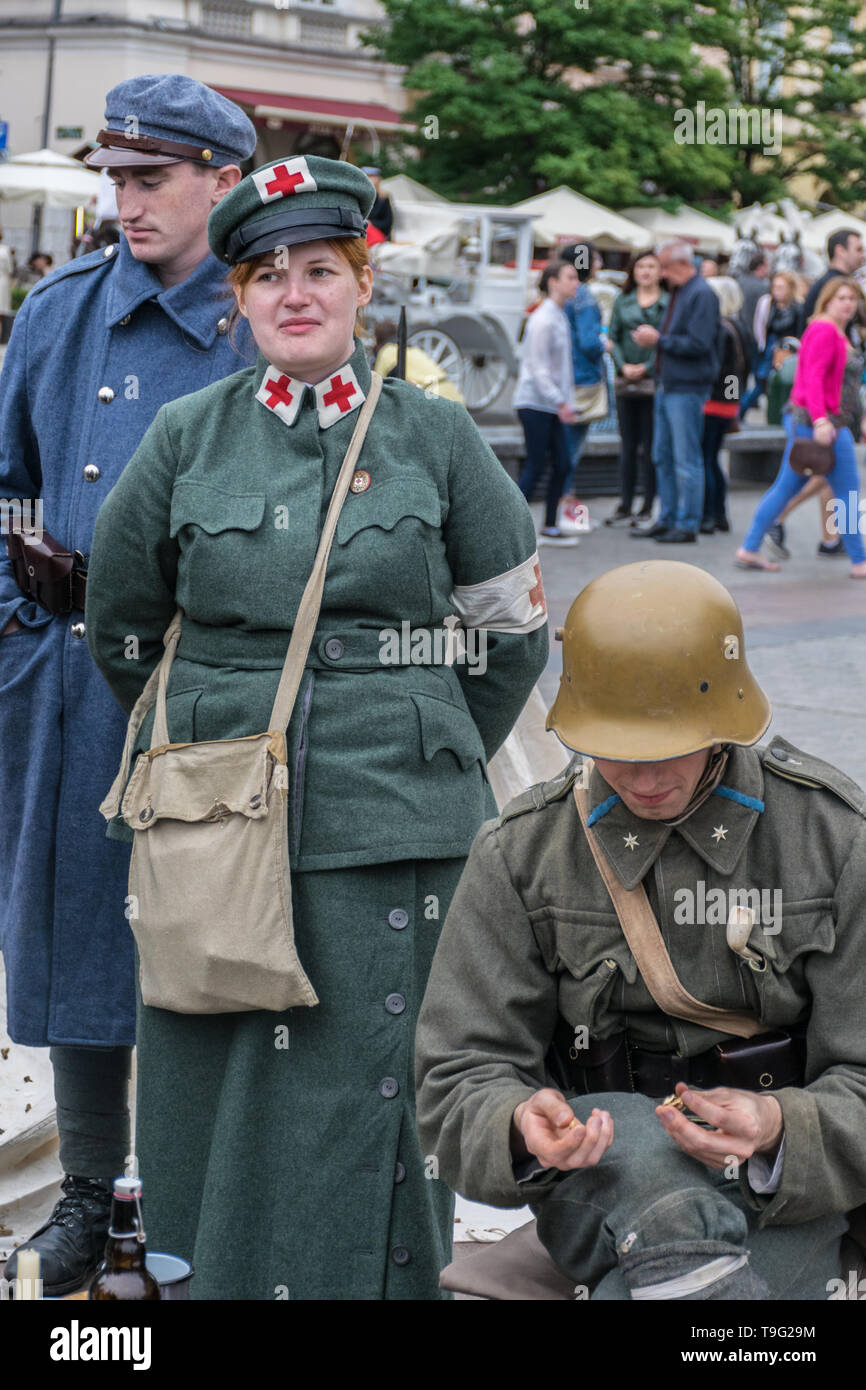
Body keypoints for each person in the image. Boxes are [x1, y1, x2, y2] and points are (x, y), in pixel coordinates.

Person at [84, 155, 550, 1301]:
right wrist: (205, 743)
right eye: (266, 274)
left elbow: (510, 632)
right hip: (218, 832)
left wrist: (420, 729)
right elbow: (122, 628)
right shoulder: (188, 437)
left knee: (377, 1091)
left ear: (360, 289)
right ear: (236, 300)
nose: (295, 293)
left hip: (397, 828)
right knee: (213, 1080)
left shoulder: (436, 441)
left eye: (320, 271)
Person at [416, 560, 866, 1301]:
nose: (643, 778)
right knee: (659, 1189)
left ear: (724, 719)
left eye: (668, 751)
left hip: (785, 1189)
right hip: (606, 1184)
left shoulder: (828, 839)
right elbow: (457, 1074)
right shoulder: (524, 855)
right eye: (615, 750)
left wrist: (777, 1125)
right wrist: (517, 1124)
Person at [0, 74, 258, 1297]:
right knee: (75, 958)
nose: (127, 199)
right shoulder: (57, 312)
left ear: (222, 180)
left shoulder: (262, 321)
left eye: (152, 178)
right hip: (61, 685)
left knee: (212, 946)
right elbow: (6, 481)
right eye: (116, 176)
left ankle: (202, 1194)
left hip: (205, 695)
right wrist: (16, 613)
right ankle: (92, 1195)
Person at [737, 276, 866, 577]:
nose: (848, 304)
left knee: (787, 487)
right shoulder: (824, 330)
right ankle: (860, 560)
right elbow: (813, 380)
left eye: (852, 298)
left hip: (822, 421)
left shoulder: (835, 330)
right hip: (820, 423)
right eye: (841, 298)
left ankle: (750, 547)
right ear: (828, 300)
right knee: (846, 492)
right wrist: (822, 420)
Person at [630, 239, 720, 544]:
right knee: (663, 456)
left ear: (682, 264)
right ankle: (668, 518)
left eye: (665, 267)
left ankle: (687, 522)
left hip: (687, 386)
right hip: (670, 383)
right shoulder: (684, 291)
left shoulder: (702, 294)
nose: (662, 274)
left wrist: (658, 340)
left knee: (685, 458)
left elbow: (699, 344)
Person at [514, 259, 581, 547]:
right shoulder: (544, 318)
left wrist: (565, 401)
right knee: (537, 464)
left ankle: (550, 526)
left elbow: (560, 368)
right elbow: (538, 367)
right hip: (535, 402)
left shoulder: (558, 315)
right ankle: (512, 526)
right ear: (553, 281)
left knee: (561, 463)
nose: (575, 283)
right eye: (570, 277)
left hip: (549, 403)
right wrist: (561, 401)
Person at [606, 250, 668, 525]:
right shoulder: (623, 300)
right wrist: (623, 365)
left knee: (650, 445)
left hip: (654, 380)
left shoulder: (668, 302)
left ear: (659, 271)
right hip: (626, 379)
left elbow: (668, 341)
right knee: (627, 445)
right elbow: (613, 338)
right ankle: (626, 502)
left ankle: (648, 502)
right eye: (641, 266)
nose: (645, 271)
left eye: (651, 266)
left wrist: (647, 367)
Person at [558, 241, 605, 533]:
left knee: (565, 447)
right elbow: (589, 342)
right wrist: (605, 344)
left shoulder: (563, 296)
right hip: (584, 378)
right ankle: (567, 509)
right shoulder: (585, 296)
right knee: (572, 449)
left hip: (565, 377)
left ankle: (566, 507)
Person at [700, 276, 748, 534]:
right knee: (713, 458)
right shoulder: (740, 327)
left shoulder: (720, 328)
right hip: (727, 403)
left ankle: (709, 514)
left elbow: (716, 369)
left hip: (713, 402)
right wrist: (733, 399)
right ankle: (719, 514)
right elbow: (740, 370)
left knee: (706, 458)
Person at [739, 270, 804, 418]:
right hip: (769, 350)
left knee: (775, 383)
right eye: (775, 287)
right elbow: (760, 326)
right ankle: (741, 411)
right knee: (762, 382)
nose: (777, 291)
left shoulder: (797, 308)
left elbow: (799, 333)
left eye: (781, 287)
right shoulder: (769, 304)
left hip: (787, 352)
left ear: (790, 288)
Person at [372, 318, 465, 402]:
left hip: (431, 396)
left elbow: (377, 388)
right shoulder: (415, 350)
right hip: (454, 395)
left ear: (377, 340)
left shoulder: (386, 351)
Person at [803, 227, 864, 320]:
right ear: (840, 251)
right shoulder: (832, 285)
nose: (863, 255)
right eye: (858, 250)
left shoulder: (835, 281)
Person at [362, 166, 393, 244]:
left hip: (377, 233)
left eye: (373, 177)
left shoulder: (383, 198)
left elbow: (388, 222)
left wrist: (371, 223)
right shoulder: (360, 196)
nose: (371, 179)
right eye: (368, 176)